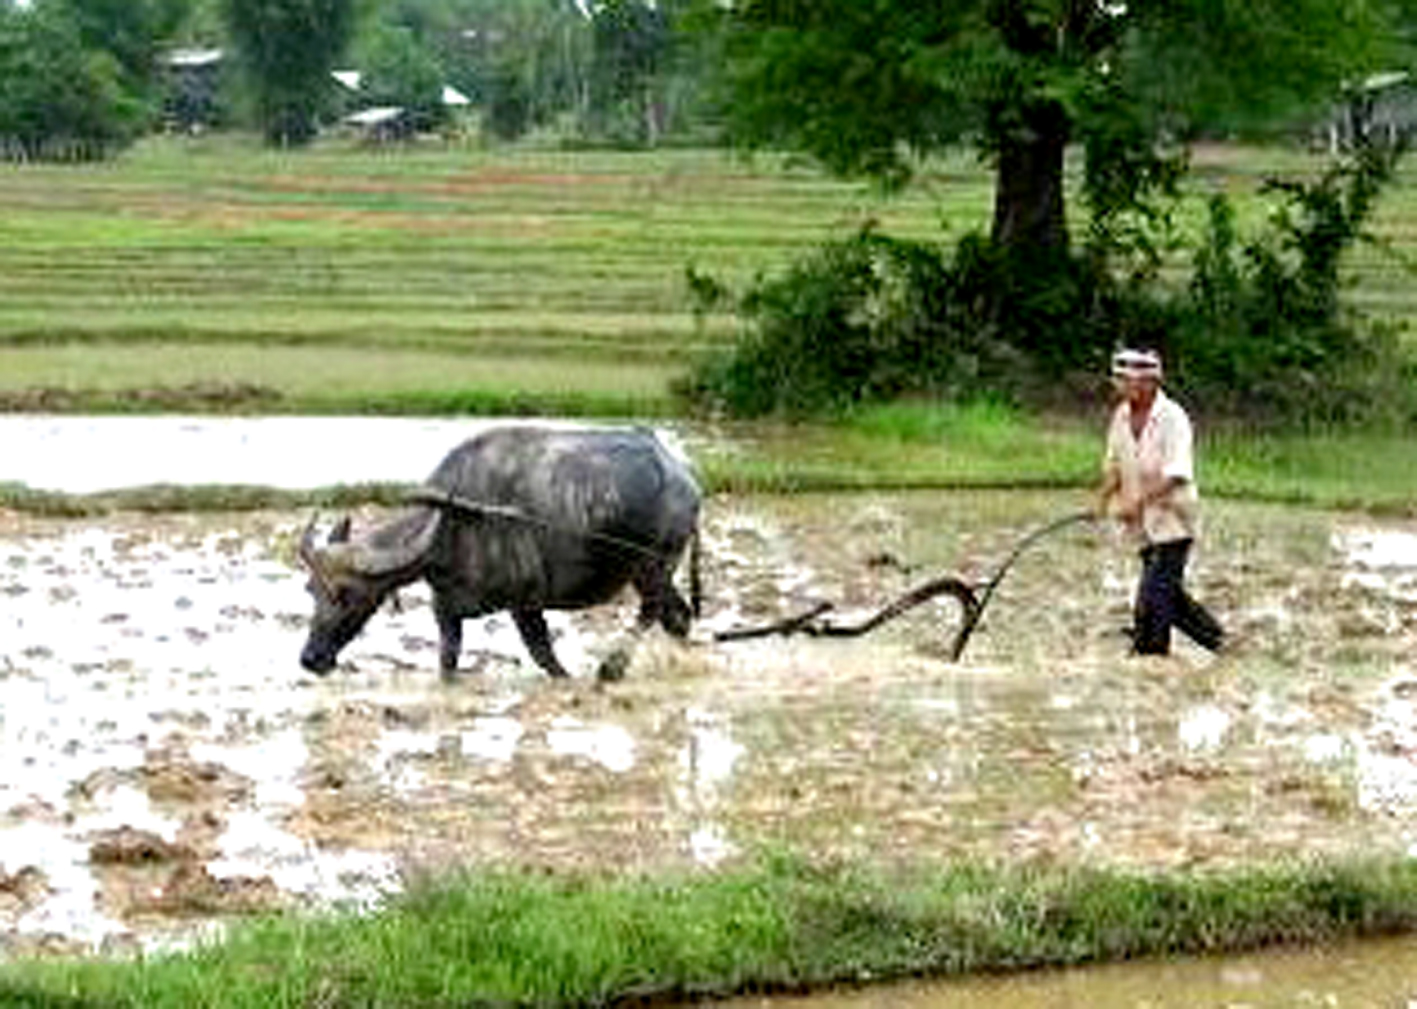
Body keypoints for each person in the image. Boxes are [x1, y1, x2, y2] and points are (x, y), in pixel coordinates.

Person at [1098, 347, 1225, 656]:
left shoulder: (1173, 418)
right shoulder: (1122, 416)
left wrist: (1136, 502)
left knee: (1153, 600)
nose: (1122, 387)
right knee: (1168, 597)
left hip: (1174, 522)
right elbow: (1115, 465)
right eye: (1120, 380)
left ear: (1149, 383)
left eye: (1129, 381)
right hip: (1143, 527)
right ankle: (1223, 646)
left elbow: (1176, 475)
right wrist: (1102, 500)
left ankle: (1150, 655)